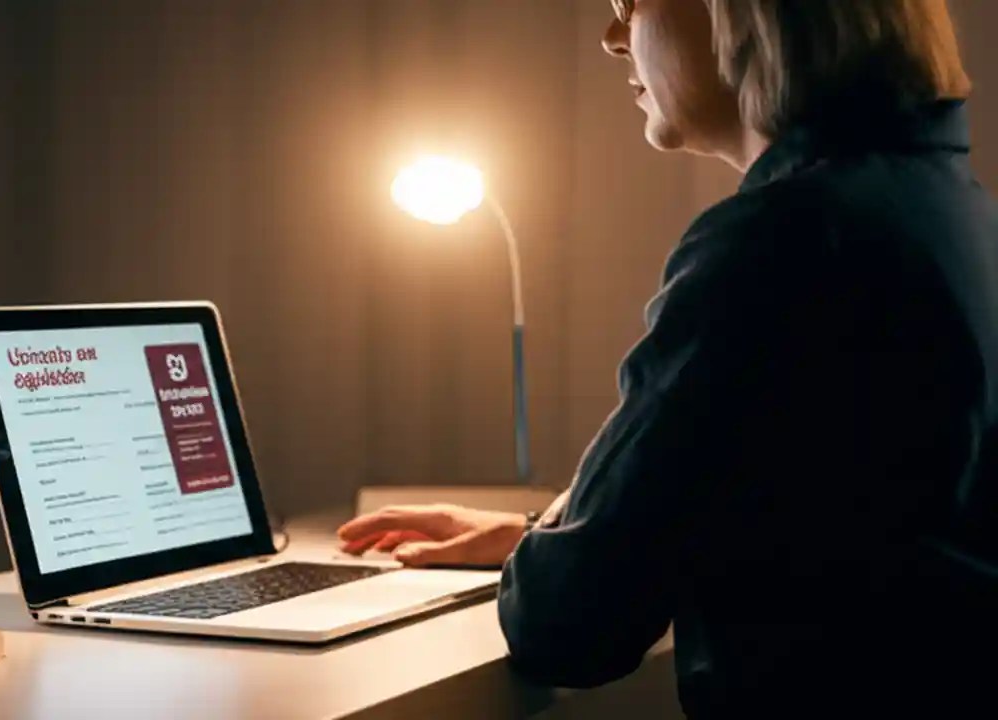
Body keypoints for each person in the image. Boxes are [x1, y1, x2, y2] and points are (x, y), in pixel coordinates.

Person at [337, 1, 998, 717]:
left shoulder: (783, 242)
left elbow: (567, 627)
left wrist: (568, 544)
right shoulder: (948, 209)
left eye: (631, 4)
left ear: (740, 13)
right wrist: (545, 535)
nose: (613, 38)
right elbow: (798, 513)